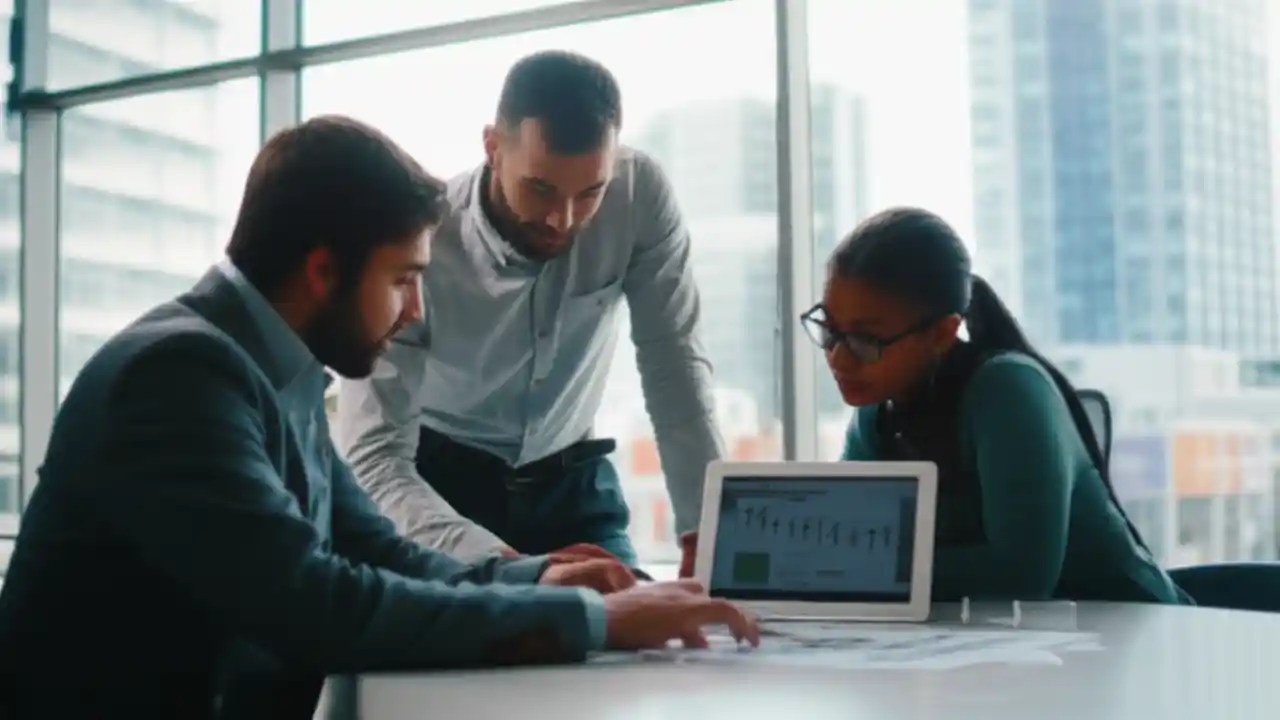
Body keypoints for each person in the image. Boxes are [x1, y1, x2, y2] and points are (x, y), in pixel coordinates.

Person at [0, 115, 757, 719]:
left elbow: (377, 550)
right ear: (323, 269)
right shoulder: (177, 376)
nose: (414, 313)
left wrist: (548, 580)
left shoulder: (272, 369)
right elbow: (320, 603)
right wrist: (594, 622)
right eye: (404, 280)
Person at [336, 50, 723, 566]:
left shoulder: (638, 195)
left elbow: (673, 360)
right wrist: (511, 573)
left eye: (590, 192)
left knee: (648, 635)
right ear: (493, 149)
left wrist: (707, 525)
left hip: (571, 487)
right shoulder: (421, 241)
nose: (562, 220)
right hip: (438, 488)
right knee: (472, 640)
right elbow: (375, 456)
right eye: (540, 189)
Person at [683, 207, 1188, 603]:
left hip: (1135, 635)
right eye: (830, 329)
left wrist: (852, 567)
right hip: (1022, 649)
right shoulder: (877, 411)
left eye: (865, 339)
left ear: (943, 332)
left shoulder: (1008, 390)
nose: (838, 356)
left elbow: (1023, 574)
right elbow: (847, 536)